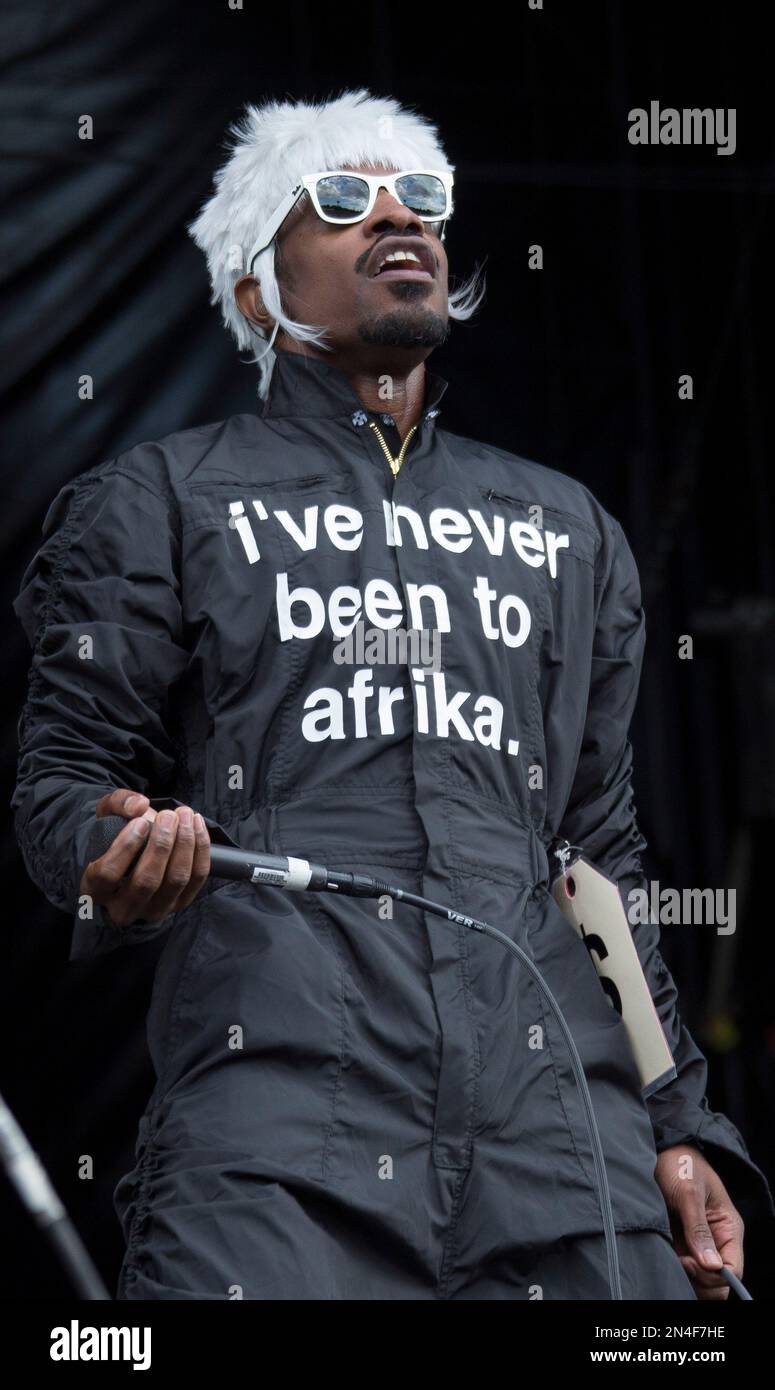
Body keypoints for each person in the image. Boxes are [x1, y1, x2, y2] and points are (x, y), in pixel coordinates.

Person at [12, 89, 773, 1301]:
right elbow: (58, 788)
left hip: (558, 1130)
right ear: (260, 289)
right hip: (276, 1121)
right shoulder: (159, 500)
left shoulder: (563, 526)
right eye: (339, 200)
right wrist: (116, 843)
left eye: (418, 197)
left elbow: (600, 855)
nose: (394, 220)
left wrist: (678, 1123)